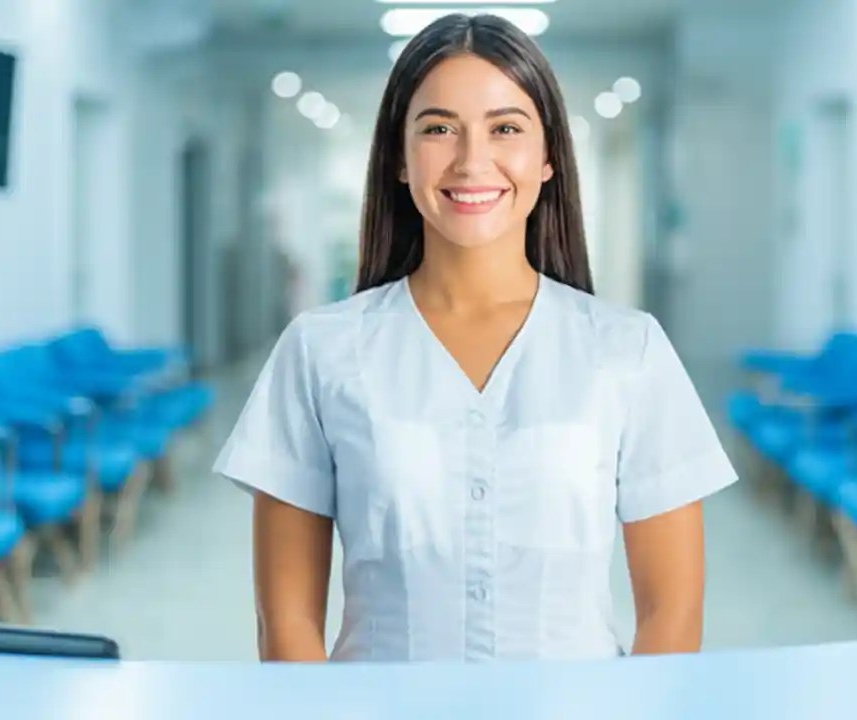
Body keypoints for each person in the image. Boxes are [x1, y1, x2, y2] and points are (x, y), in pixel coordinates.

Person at [214, 13, 738, 663]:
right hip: (378, 709)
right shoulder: (321, 351)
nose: (471, 161)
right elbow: (288, 622)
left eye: (505, 129)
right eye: (438, 129)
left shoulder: (627, 351)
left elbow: (672, 613)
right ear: (399, 159)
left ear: (548, 159)